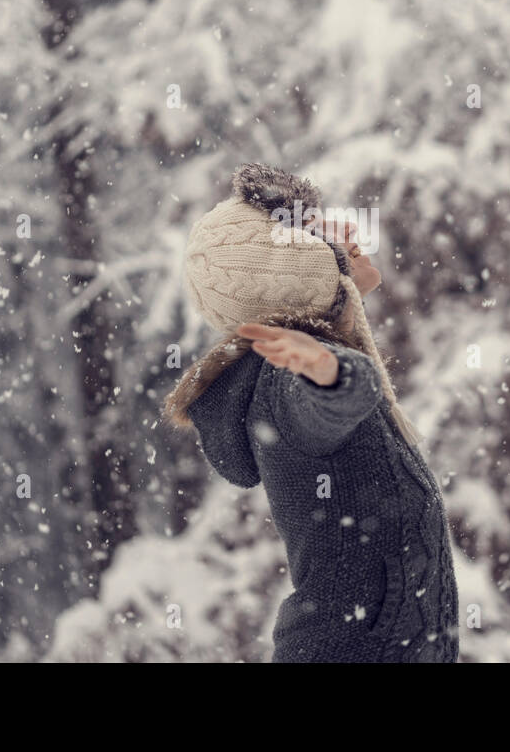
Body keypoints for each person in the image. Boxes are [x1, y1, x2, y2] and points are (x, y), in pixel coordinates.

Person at [163, 163, 459, 662]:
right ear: (292, 268)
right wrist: (327, 371)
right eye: (313, 227)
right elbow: (335, 401)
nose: (343, 229)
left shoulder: (290, 361)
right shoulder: (285, 376)